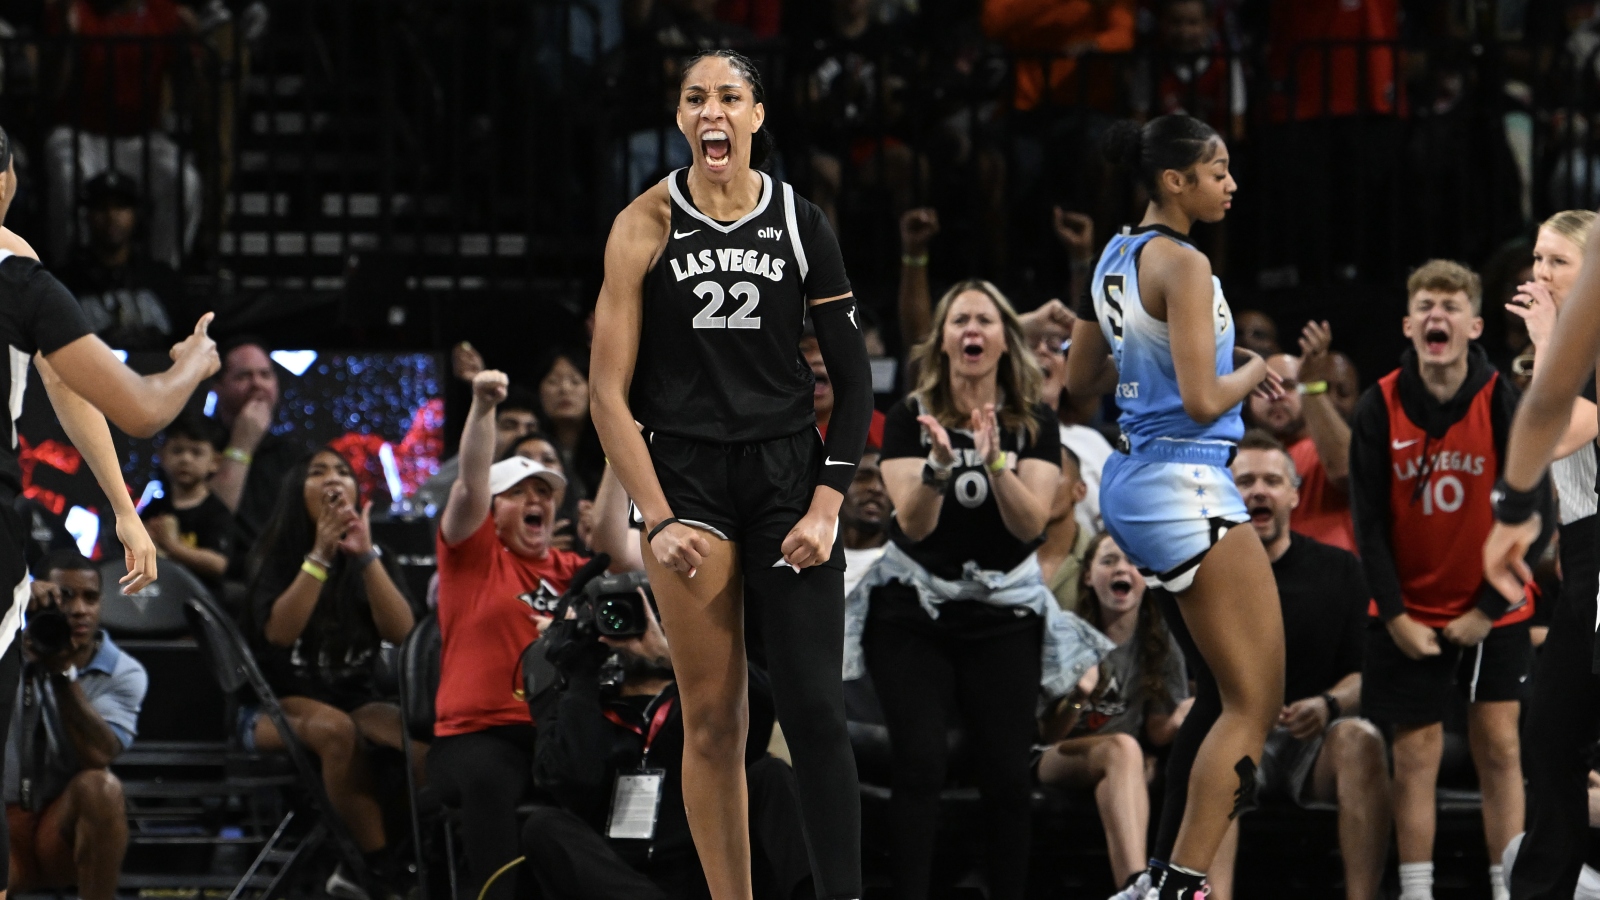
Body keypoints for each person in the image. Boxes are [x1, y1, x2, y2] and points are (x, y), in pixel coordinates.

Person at [589, 49, 873, 900]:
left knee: (818, 710)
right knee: (712, 720)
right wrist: (657, 516)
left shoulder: (800, 222)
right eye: (695, 98)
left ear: (755, 117)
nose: (712, 110)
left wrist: (828, 502)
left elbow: (853, 380)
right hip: (687, 478)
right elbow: (606, 393)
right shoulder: (642, 223)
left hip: (788, 471)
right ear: (681, 120)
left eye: (729, 96)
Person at [1065, 114, 1286, 900]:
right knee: (1257, 704)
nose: (1230, 184)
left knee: (1230, 695)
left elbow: (1080, 379)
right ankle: (1179, 884)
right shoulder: (1185, 265)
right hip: (1183, 476)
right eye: (1218, 171)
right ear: (1175, 182)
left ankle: (1166, 874)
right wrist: (1258, 365)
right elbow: (1200, 399)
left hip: (1137, 479)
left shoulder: (1114, 257)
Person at [0, 126, 219, 900]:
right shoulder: (14, 276)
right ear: (7, 182)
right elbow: (142, 410)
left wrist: (123, 508)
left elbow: (63, 383)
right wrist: (192, 361)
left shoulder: (21, 271)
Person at [849, 279, 1109, 900]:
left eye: (985, 321)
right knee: (920, 767)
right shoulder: (912, 415)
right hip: (915, 611)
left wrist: (995, 464)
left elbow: (1030, 522)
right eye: (960, 320)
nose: (973, 331)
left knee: (1006, 779)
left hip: (1003, 614)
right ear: (942, 340)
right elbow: (912, 523)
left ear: (1005, 340)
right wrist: (940, 470)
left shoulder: (1036, 420)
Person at [1350, 260, 1540, 900]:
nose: (1439, 316)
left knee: (1500, 749)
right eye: (1427, 305)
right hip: (1412, 608)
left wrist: (1487, 607)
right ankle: (1416, 891)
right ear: (1408, 324)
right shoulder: (1378, 402)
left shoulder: (1503, 398)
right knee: (1416, 754)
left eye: (1452, 306)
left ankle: (1506, 887)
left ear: (1475, 324)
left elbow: (1533, 510)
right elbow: (1366, 521)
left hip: (1495, 607)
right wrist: (1397, 615)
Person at [522, 585, 814, 900]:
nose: (628, 631)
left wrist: (672, 657)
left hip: (711, 871)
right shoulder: (582, 709)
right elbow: (573, 781)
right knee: (542, 826)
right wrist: (581, 674)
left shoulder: (702, 702)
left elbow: (765, 702)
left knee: (771, 774)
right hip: (621, 880)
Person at [1203, 431, 1390, 900]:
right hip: (1235, 733)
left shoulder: (1341, 569)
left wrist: (1328, 704)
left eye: (1271, 480)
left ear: (1294, 493)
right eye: (1245, 481)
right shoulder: (1200, 571)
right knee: (1217, 752)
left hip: (1313, 740)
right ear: (1226, 492)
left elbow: (1369, 674)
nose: (1258, 491)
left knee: (1361, 740)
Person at [431, 369, 591, 900]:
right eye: (519, 492)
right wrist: (481, 407)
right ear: (493, 513)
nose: (536, 500)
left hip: (555, 734)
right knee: (488, 779)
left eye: (544, 492)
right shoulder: (473, 558)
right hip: (476, 736)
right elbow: (470, 483)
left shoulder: (573, 570)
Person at [1484, 211, 1600, 900]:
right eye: (1535, 258)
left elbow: (1557, 429)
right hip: (1585, 562)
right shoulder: (1560, 357)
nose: (1539, 274)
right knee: (1553, 734)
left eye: (1557, 261)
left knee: (1555, 730)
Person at [244, 447, 421, 897]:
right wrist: (320, 554)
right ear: (294, 492)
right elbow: (280, 635)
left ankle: (390, 856)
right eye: (317, 472)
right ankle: (378, 872)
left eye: (342, 471)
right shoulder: (274, 557)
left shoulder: (373, 558)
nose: (333, 479)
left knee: (422, 744)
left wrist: (365, 556)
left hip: (355, 696)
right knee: (337, 732)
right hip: (271, 705)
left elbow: (403, 633)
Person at [1036, 532, 1190, 889]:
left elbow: (1156, 731)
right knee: (1123, 749)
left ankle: (1130, 890)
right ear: (1089, 575)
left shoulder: (1161, 637)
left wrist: (1184, 715)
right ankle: (1141, 885)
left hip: (1123, 757)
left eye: (1132, 561)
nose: (1122, 568)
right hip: (1056, 754)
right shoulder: (1065, 634)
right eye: (1108, 561)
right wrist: (1078, 695)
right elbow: (1047, 734)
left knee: (1126, 757)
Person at [5, 550, 147, 900]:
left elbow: (99, 753)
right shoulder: (5, 646)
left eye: (91, 598)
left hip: (62, 828)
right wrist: (11, 608)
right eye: (64, 597)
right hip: (4, 827)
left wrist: (62, 674)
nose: (80, 609)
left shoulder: (124, 671)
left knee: (102, 788)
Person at [42, 0, 202, 269]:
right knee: (65, 175)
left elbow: (189, 92)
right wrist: (67, 42)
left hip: (141, 135)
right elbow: (51, 89)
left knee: (183, 182)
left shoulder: (164, 13)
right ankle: (70, 270)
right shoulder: (76, 9)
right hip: (82, 131)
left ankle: (163, 274)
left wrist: (190, 49)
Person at [1244, 323, 1356, 553]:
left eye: (1289, 385)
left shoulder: (1325, 449)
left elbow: (1348, 470)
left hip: (1332, 577)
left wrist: (1310, 383)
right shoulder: (1233, 458)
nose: (1276, 395)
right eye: (1265, 387)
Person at [55, 170, 187, 351]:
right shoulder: (67, 283)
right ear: (88, 216)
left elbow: (185, 339)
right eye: (102, 207)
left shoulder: (161, 279)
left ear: (135, 215)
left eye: (121, 207)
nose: (111, 216)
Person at [208, 339, 300, 546]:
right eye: (243, 376)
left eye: (265, 375)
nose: (257, 383)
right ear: (218, 387)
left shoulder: (295, 455)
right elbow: (208, 520)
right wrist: (242, 444)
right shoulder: (198, 445)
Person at [141, 412, 233, 596]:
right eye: (177, 451)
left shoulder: (216, 512)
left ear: (215, 462)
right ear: (162, 456)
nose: (185, 459)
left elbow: (218, 564)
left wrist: (172, 547)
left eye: (196, 452)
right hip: (157, 596)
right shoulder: (154, 508)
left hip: (199, 599)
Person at [414, 383, 542, 515]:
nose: (521, 434)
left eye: (530, 428)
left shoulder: (546, 468)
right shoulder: (466, 467)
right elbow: (417, 509)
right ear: (491, 430)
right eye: (509, 426)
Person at [533, 348, 605, 502]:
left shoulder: (607, 449)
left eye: (575, 381)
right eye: (553, 381)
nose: (564, 389)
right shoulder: (530, 448)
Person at [1037, 448, 1094, 610]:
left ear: (1080, 491)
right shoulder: (1003, 556)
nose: (1040, 483)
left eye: (1054, 473)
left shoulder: (1099, 561)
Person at [840, 452, 889, 597]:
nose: (876, 488)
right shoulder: (803, 557)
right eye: (862, 478)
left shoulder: (903, 572)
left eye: (887, 480)